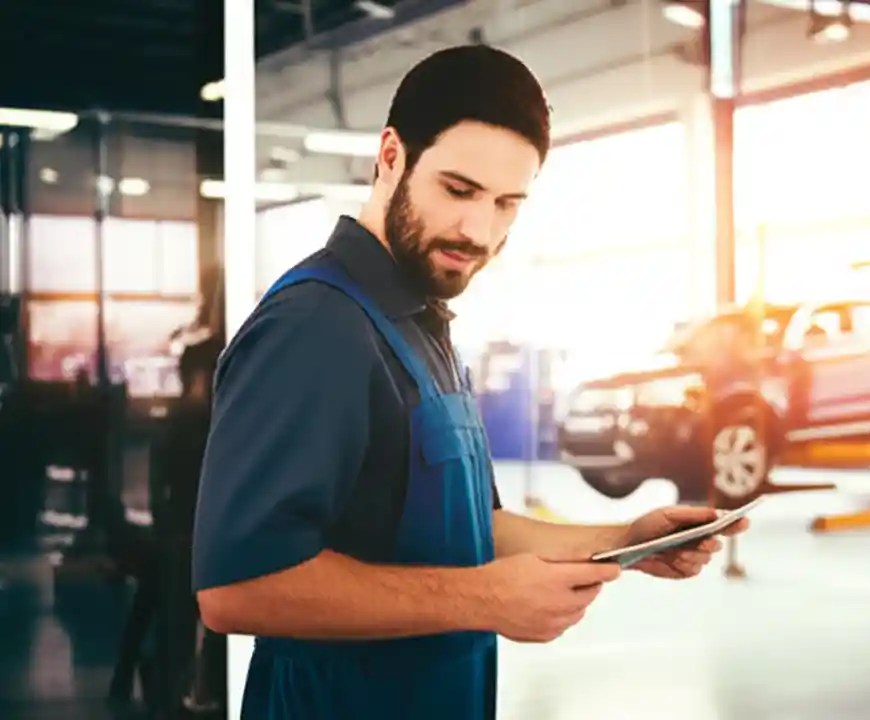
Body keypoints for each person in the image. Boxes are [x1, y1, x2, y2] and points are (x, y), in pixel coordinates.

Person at [191, 44, 748, 720]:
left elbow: (479, 529)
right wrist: (485, 600)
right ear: (390, 156)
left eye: (507, 203)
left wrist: (628, 536)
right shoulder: (315, 326)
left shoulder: (424, 321)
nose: (479, 230)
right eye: (457, 191)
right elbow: (237, 589)